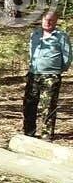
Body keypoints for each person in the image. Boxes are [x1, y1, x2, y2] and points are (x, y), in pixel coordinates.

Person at [25, 9, 71, 138]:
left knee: (48, 106)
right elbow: (31, 52)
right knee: (29, 104)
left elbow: (67, 58)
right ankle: (29, 133)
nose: (48, 22)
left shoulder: (61, 36)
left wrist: (57, 71)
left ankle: (46, 136)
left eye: (51, 20)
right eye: (46, 19)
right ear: (42, 20)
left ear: (56, 21)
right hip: (33, 74)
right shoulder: (35, 34)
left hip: (51, 76)